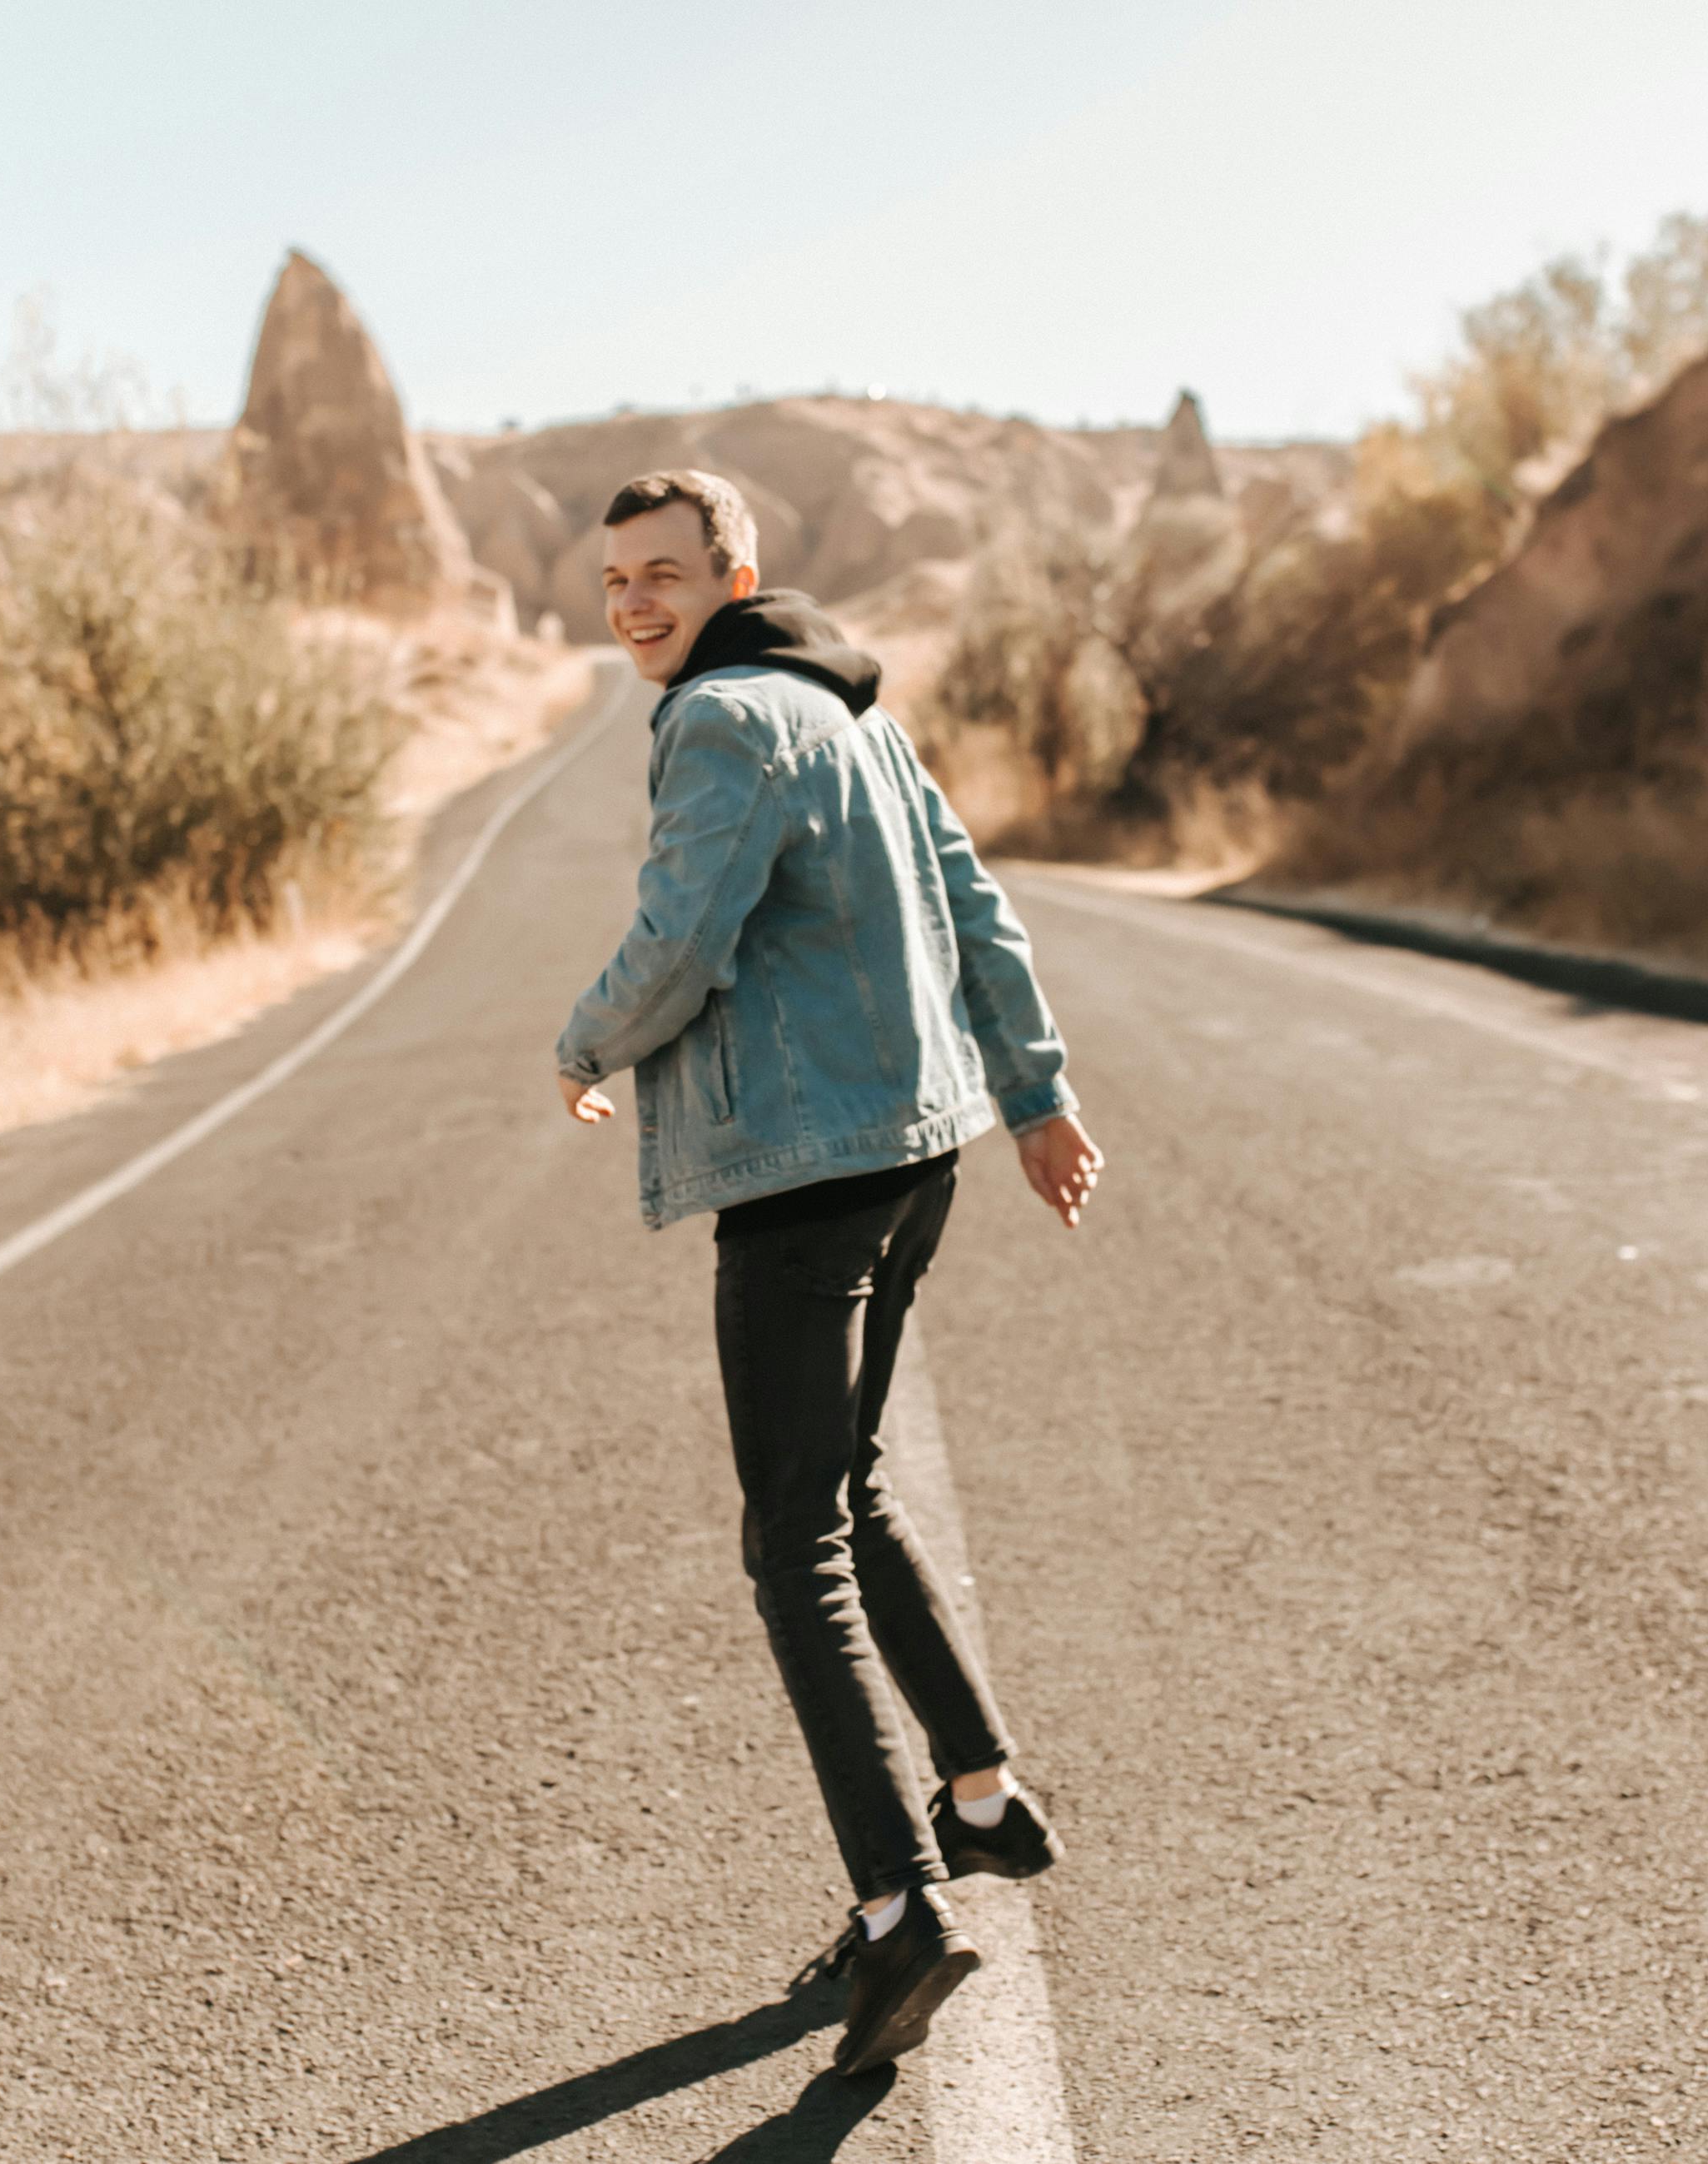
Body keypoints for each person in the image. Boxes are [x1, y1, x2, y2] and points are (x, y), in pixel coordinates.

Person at [552, 469, 1104, 2079]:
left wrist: (581, 1042)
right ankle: (985, 1801)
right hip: (916, 1151)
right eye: (616, 583)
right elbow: (970, 907)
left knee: (790, 1543)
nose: (637, 603)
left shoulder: (723, 718)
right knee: (847, 1485)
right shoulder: (856, 706)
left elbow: (681, 938)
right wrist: (1035, 1092)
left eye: (665, 573)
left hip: (803, 1176)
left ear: (735, 571)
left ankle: (898, 1912)